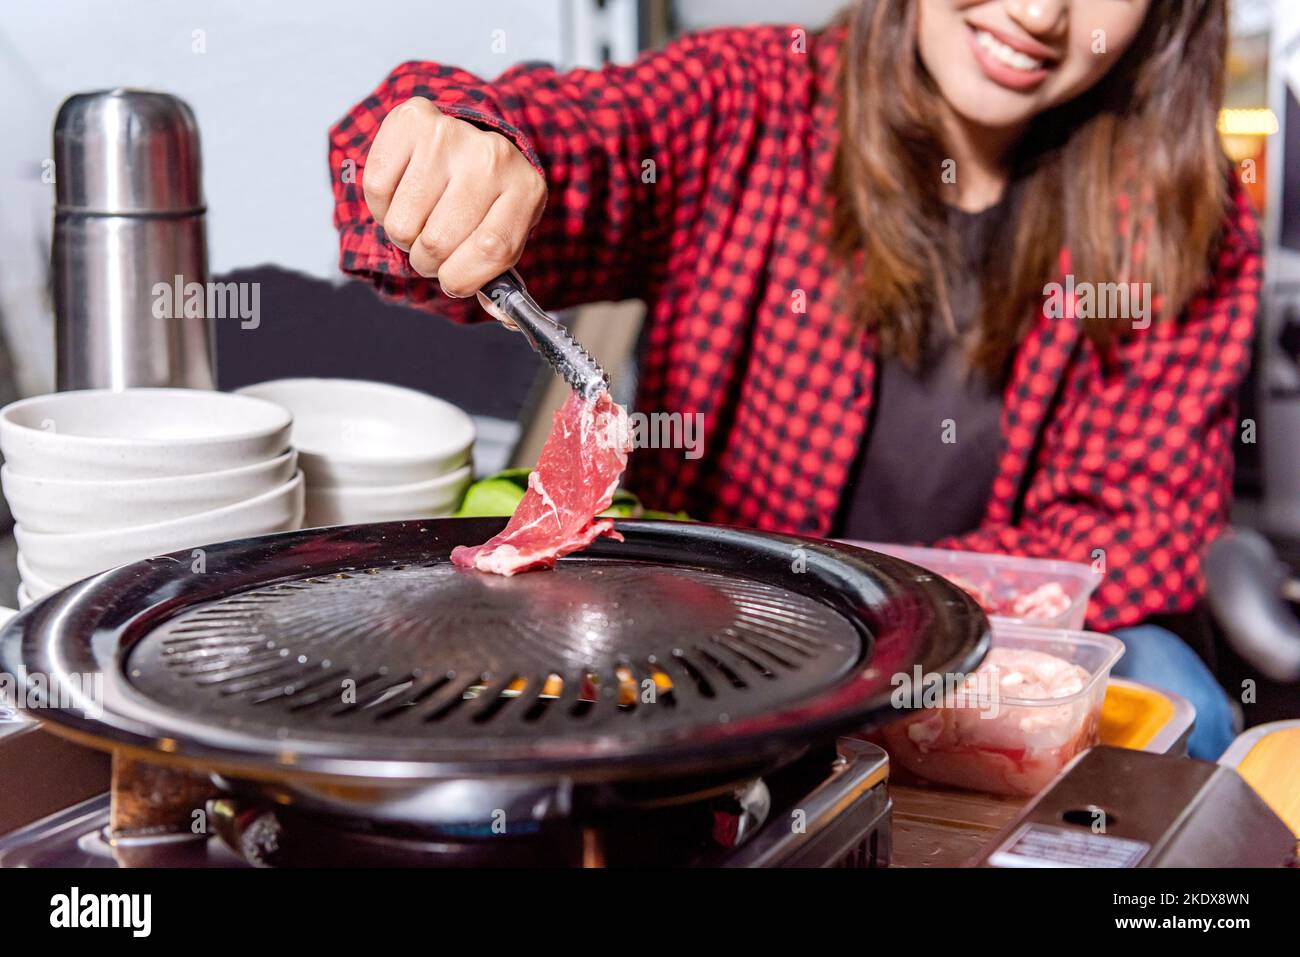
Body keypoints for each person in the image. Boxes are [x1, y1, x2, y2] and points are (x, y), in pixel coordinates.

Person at [328, 0, 1257, 759]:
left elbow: (1134, 526)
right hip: (724, 623)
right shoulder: (758, 98)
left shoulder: (1181, 210)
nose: (1038, 13)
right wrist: (462, 147)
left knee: (1182, 692)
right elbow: (576, 144)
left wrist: (878, 618)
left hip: (987, 631)